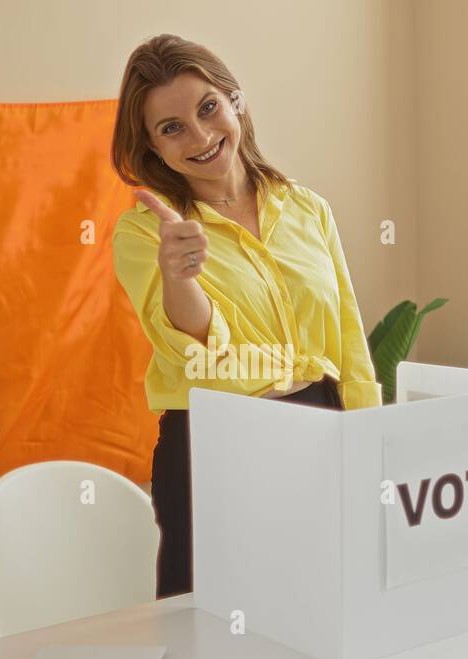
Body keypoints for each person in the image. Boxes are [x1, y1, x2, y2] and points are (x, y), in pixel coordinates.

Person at [110, 33, 382, 598]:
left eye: (208, 108)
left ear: (236, 102)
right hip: (216, 443)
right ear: (152, 149)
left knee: (323, 610)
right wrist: (180, 273)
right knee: (210, 633)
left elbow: (348, 335)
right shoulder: (143, 233)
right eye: (171, 128)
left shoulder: (307, 207)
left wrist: (370, 439)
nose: (202, 136)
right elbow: (196, 347)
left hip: (322, 431)